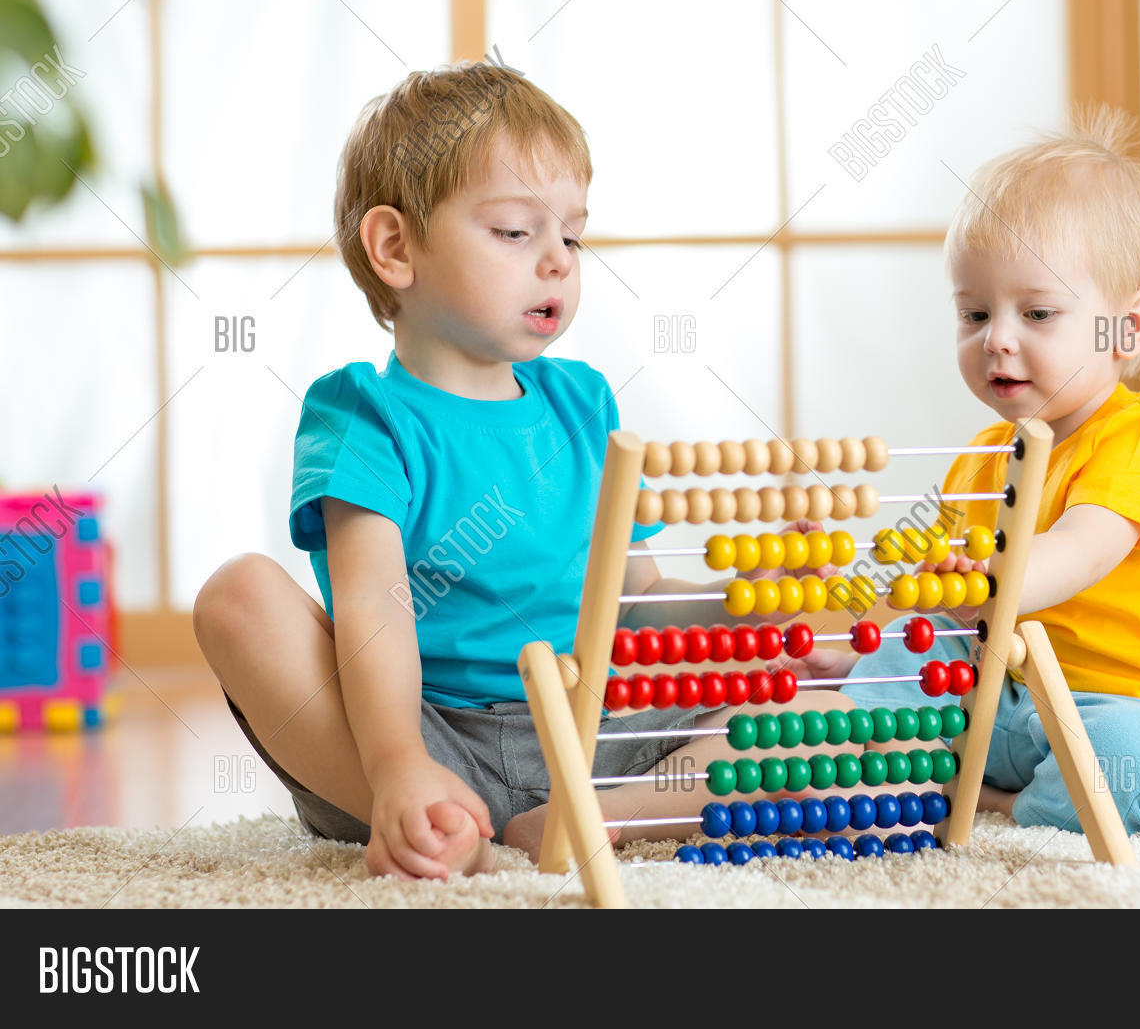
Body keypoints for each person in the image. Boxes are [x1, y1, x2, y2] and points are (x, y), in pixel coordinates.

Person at [192, 62, 852, 879]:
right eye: (516, 232)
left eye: (571, 235)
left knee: (824, 720)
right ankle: (423, 812)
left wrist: (754, 600)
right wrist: (399, 760)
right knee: (238, 596)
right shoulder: (364, 415)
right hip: (418, 730)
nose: (559, 262)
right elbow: (376, 607)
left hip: (594, 726)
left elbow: (634, 598)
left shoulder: (584, 404)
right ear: (396, 247)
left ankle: (587, 818)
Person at [779, 107, 1140, 836]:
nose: (997, 340)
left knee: (1120, 760)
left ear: (1125, 329)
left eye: (1037, 314)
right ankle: (973, 766)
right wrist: (851, 612)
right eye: (974, 314)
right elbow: (927, 581)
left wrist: (988, 578)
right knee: (905, 653)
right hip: (1017, 700)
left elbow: (1079, 548)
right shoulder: (984, 456)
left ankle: (1003, 803)